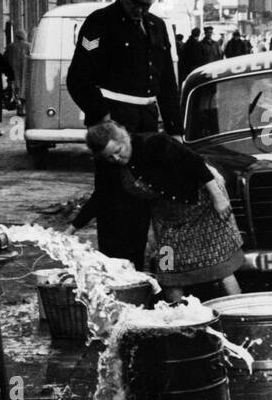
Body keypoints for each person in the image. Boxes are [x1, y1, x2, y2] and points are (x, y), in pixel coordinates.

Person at [65, 0, 181, 269]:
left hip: (146, 122)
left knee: (142, 196)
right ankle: (115, 269)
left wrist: (175, 129)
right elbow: (79, 78)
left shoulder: (157, 26)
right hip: (114, 123)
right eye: (138, 3)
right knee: (113, 197)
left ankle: (137, 270)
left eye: (148, 5)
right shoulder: (100, 21)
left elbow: (167, 81)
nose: (142, 10)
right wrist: (101, 117)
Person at [84, 119, 242, 301]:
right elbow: (101, 195)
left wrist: (218, 197)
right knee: (168, 272)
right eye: (110, 157)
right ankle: (179, 321)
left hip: (203, 205)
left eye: (118, 152)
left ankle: (237, 318)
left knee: (220, 267)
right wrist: (72, 228)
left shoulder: (155, 143)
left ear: (124, 138)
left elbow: (195, 162)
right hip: (167, 219)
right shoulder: (111, 165)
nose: (116, 159)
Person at [8, 28, 32, 113]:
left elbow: (6, 58)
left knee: (16, 89)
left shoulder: (11, 46)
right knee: (24, 90)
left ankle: (19, 108)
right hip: (25, 72)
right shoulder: (29, 46)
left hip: (14, 72)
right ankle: (23, 108)